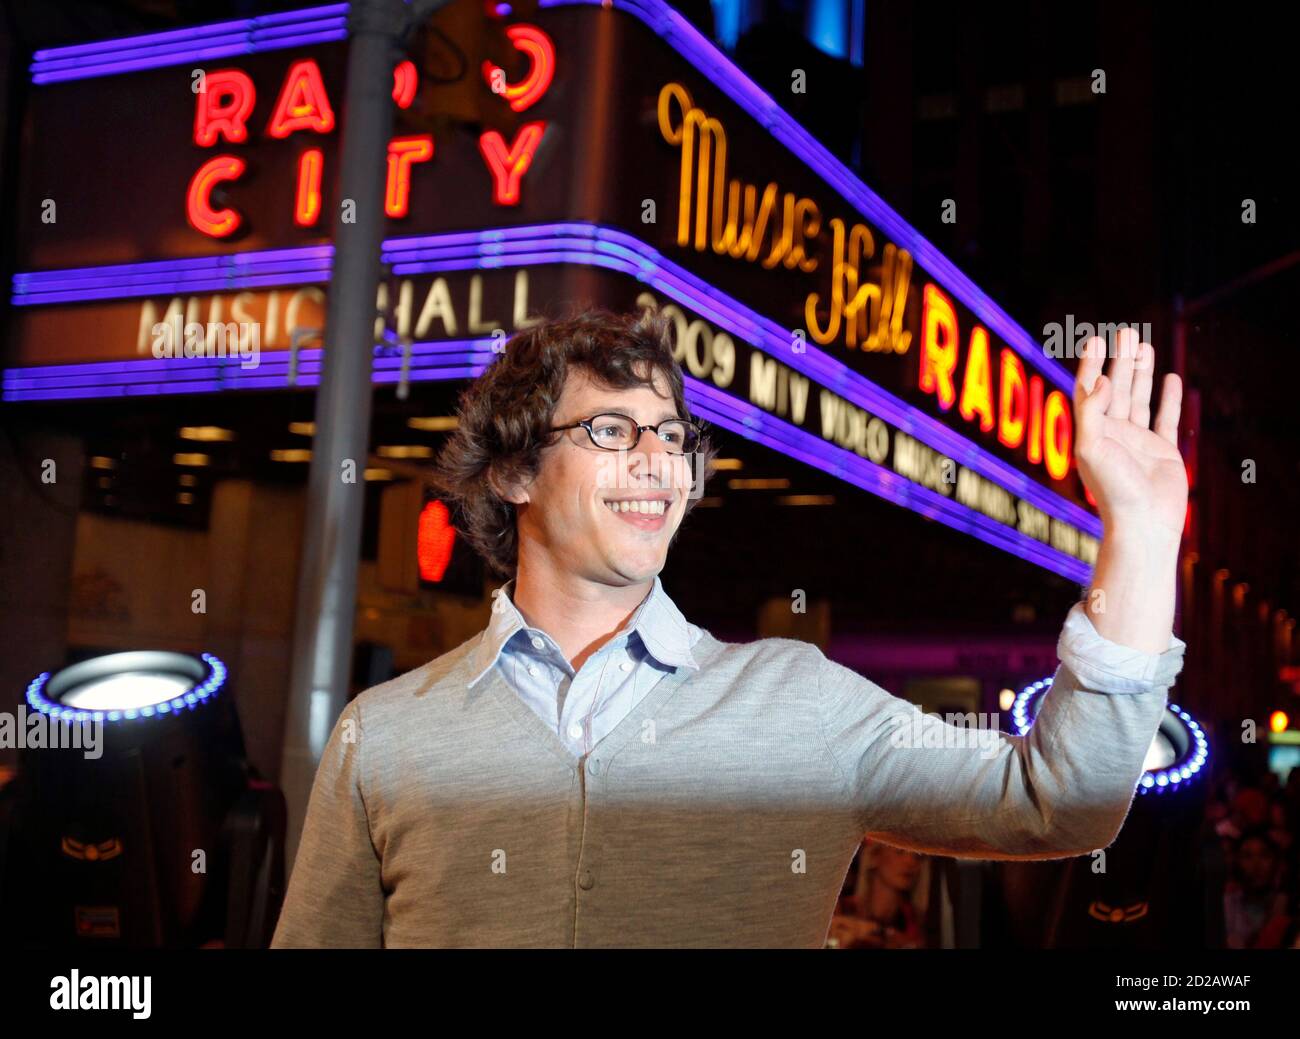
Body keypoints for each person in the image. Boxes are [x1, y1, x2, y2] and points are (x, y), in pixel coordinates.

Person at [271, 307, 1189, 948]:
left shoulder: (802, 701)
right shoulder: (384, 736)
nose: (659, 462)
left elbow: (1062, 801)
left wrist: (1143, 540)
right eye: (611, 432)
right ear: (514, 473)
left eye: (673, 437)